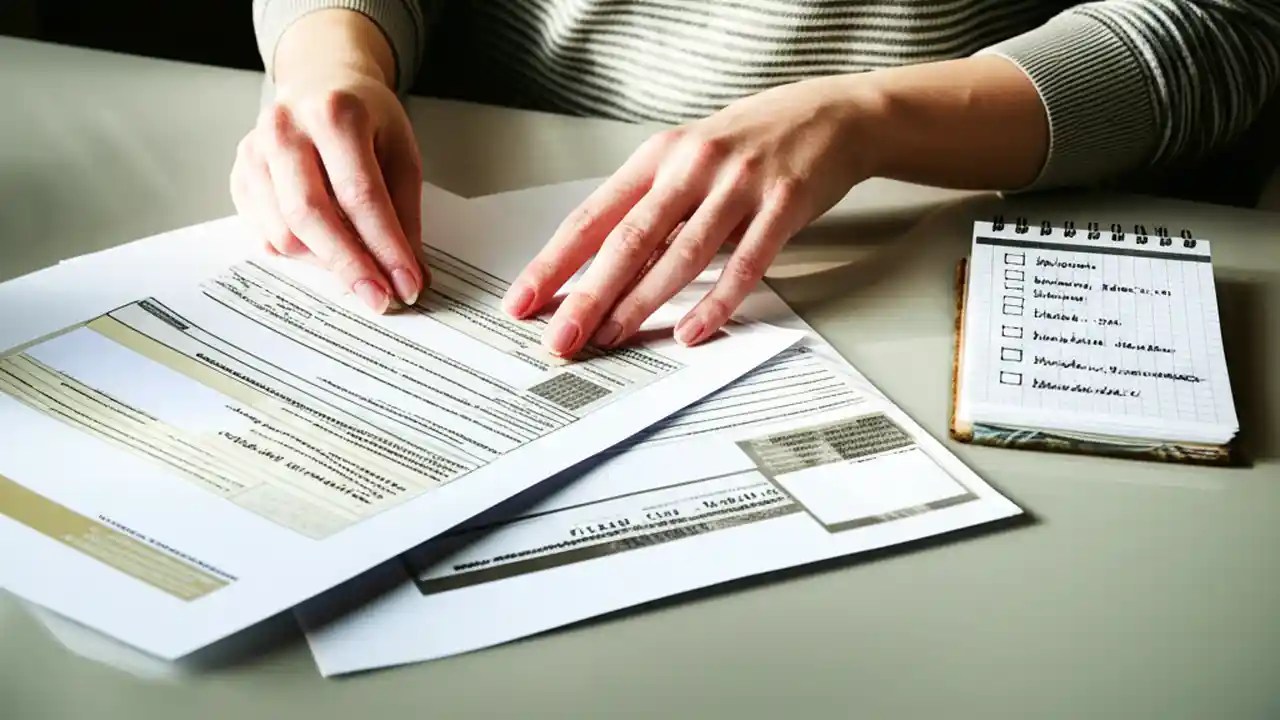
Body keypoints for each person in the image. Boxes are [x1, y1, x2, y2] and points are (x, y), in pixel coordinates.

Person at [237, 1, 1279, 357]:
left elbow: (1220, 32)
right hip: (482, 191)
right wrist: (332, 59)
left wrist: (867, 116)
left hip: (910, 214)